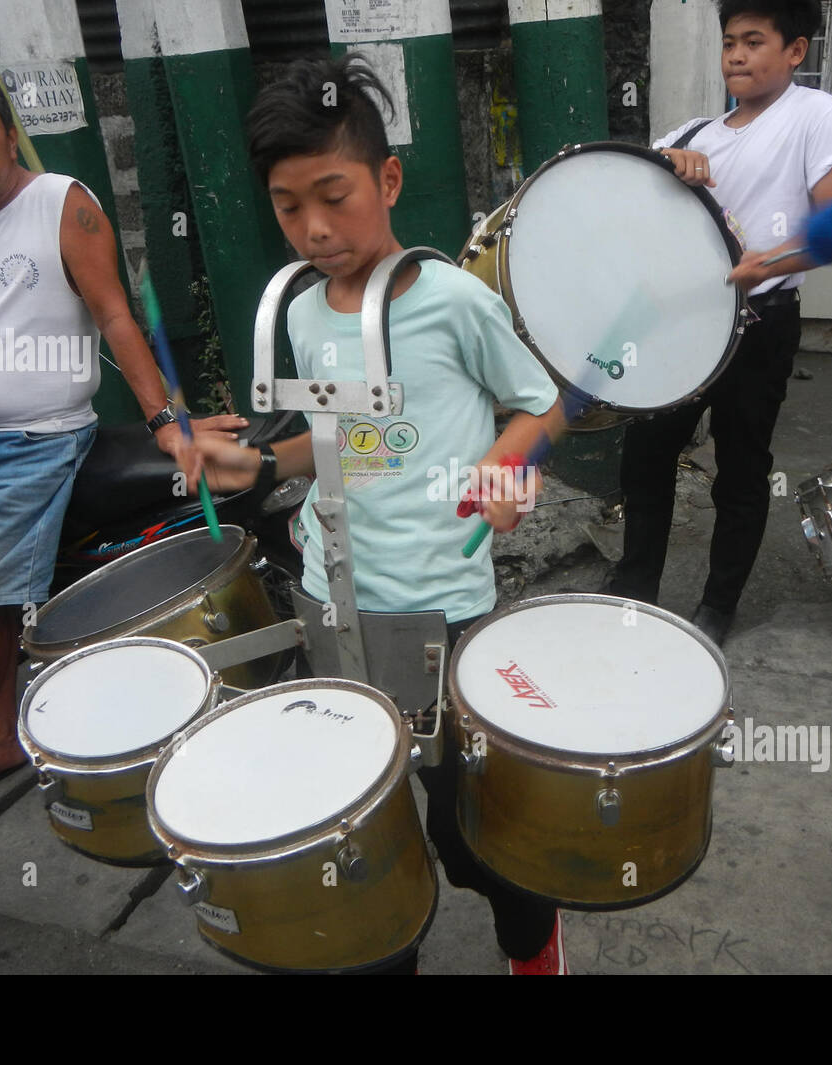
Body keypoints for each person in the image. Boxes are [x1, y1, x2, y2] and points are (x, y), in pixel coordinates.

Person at [183, 53, 568, 975]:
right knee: (360, 821)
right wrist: (261, 461)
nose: (314, 229)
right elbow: (341, 436)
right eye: (287, 207)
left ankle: (535, 945)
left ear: (387, 179)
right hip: (332, 601)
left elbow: (542, 402)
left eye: (334, 195)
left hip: (440, 608)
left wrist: (505, 471)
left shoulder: (451, 300)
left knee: (474, 831)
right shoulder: (307, 312)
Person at [0, 66, 244, 807]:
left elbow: (115, 315)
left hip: (35, 441)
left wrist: (165, 420)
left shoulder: (63, 203)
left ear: (6, 131)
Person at [605, 0, 832, 646]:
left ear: (796, 51)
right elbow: (630, 205)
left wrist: (768, 261)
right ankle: (636, 587)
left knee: (742, 469)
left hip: (760, 321)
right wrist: (670, 168)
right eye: (728, 43)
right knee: (646, 460)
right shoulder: (691, 135)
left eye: (754, 41)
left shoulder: (815, 115)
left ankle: (717, 606)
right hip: (681, 323)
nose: (737, 56)